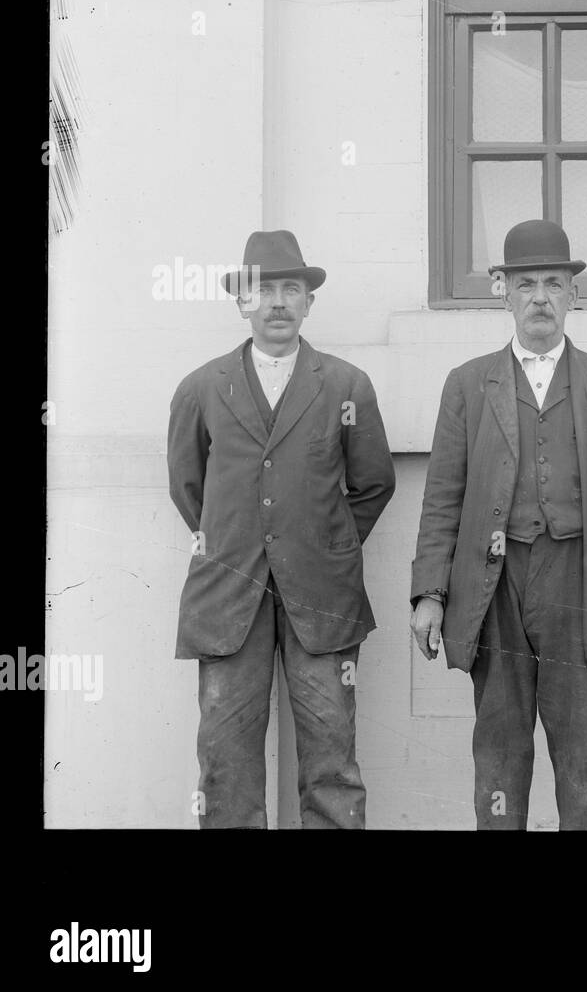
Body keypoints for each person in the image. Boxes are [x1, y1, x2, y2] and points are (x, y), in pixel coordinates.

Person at [410, 219, 587, 830]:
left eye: (553, 283)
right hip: (493, 584)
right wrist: (430, 594)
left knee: (579, 754)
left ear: (573, 295)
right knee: (498, 748)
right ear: (504, 290)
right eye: (526, 284)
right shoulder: (467, 385)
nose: (541, 297)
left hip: (578, 582)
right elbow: (442, 496)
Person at [167, 229, 396, 828]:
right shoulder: (201, 388)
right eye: (262, 290)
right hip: (227, 597)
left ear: (308, 302)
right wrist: (237, 537)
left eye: (290, 290)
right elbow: (188, 488)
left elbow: (373, 484)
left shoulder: (346, 386)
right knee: (226, 760)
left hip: (322, 597)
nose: (276, 303)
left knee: (331, 760)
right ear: (243, 302)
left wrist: (322, 543)